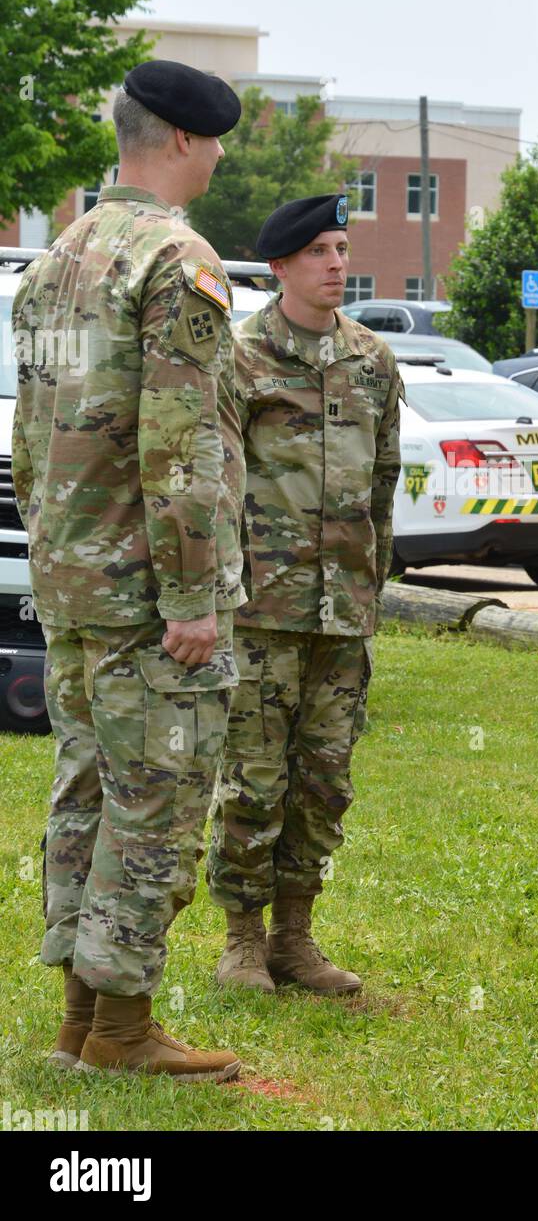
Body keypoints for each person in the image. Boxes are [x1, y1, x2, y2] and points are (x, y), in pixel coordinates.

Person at [12, 60, 246, 1081]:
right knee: (154, 797)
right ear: (187, 143)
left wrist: (55, 549)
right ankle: (121, 1030)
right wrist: (195, 595)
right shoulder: (175, 258)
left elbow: (27, 438)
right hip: (146, 590)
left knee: (88, 791)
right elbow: (181, 440)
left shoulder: (57, 257)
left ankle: (78, 1016)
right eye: (219, 140)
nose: (222, 156)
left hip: (69, 577)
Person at [206, 195, 403, 996]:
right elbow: (213, 479)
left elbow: (383, 483)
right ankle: (242, 940)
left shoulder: (371, 361)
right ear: (281, 266)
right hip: (260, 608)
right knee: (254, 777)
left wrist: (368, 583)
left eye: (341, 247)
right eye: (317, 250)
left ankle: (295, 934)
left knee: (324, 779)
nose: (335, 263)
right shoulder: (239, 357)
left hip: (342, 610)